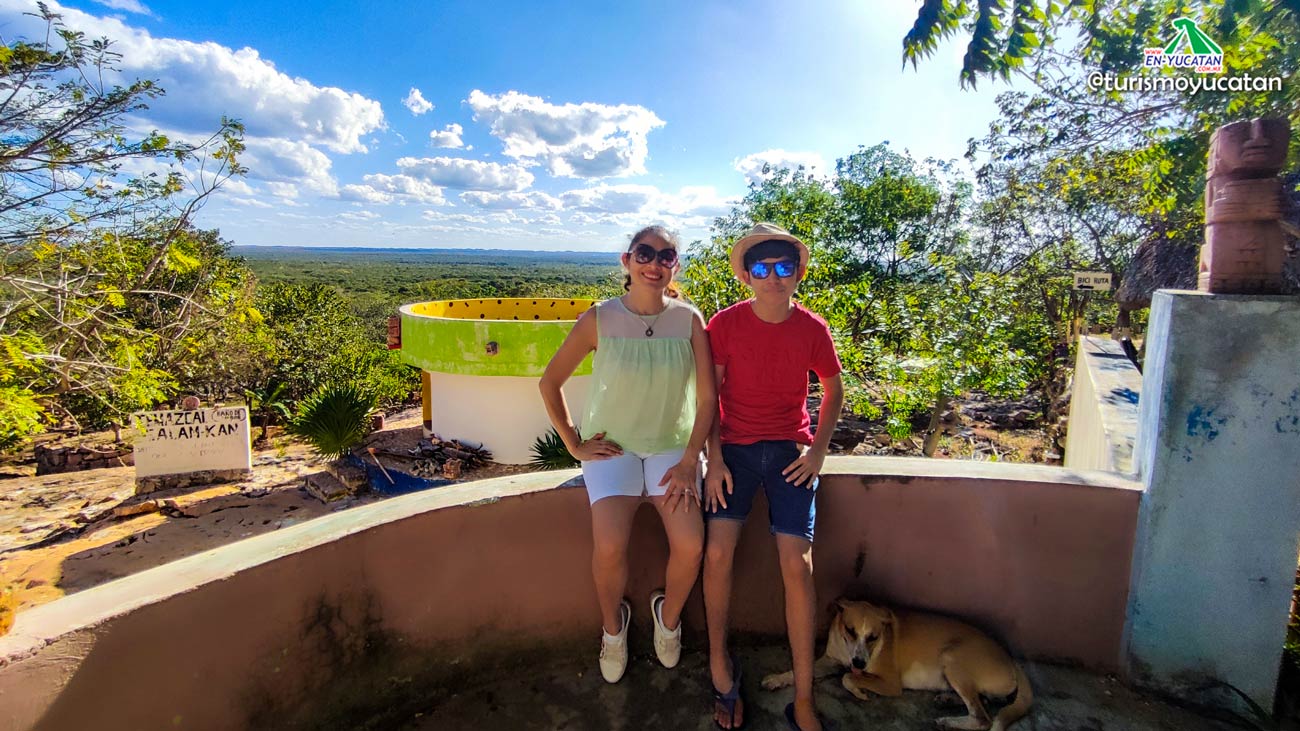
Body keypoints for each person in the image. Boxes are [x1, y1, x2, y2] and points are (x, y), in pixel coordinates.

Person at [539, 225, 716, 684]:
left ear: (675, 265)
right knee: (610, 545)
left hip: (671, 450)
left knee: (691, 544)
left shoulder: (689, 320)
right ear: (626, 261)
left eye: (666, 255)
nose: (654, 263)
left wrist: (689, 459)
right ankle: (613, 630)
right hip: (613, 448)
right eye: (645, 253)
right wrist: (574, 443)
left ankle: (668, 619)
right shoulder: (599, 319)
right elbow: (549, 382)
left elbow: (708, 400)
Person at [703, 222, 844, 731]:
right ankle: (720, 667)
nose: (773, 277)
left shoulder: (812, 329)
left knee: (797, 564)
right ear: (746, 275)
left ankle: (803, 698)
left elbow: (833, 392)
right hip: (734, 453)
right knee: (717, 552)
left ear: (799, 272)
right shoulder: (724, 324)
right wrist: (713, 458)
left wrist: (819, 453)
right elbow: (709, 399)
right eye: (761, 267)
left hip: (789, 451)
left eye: (784, 266)